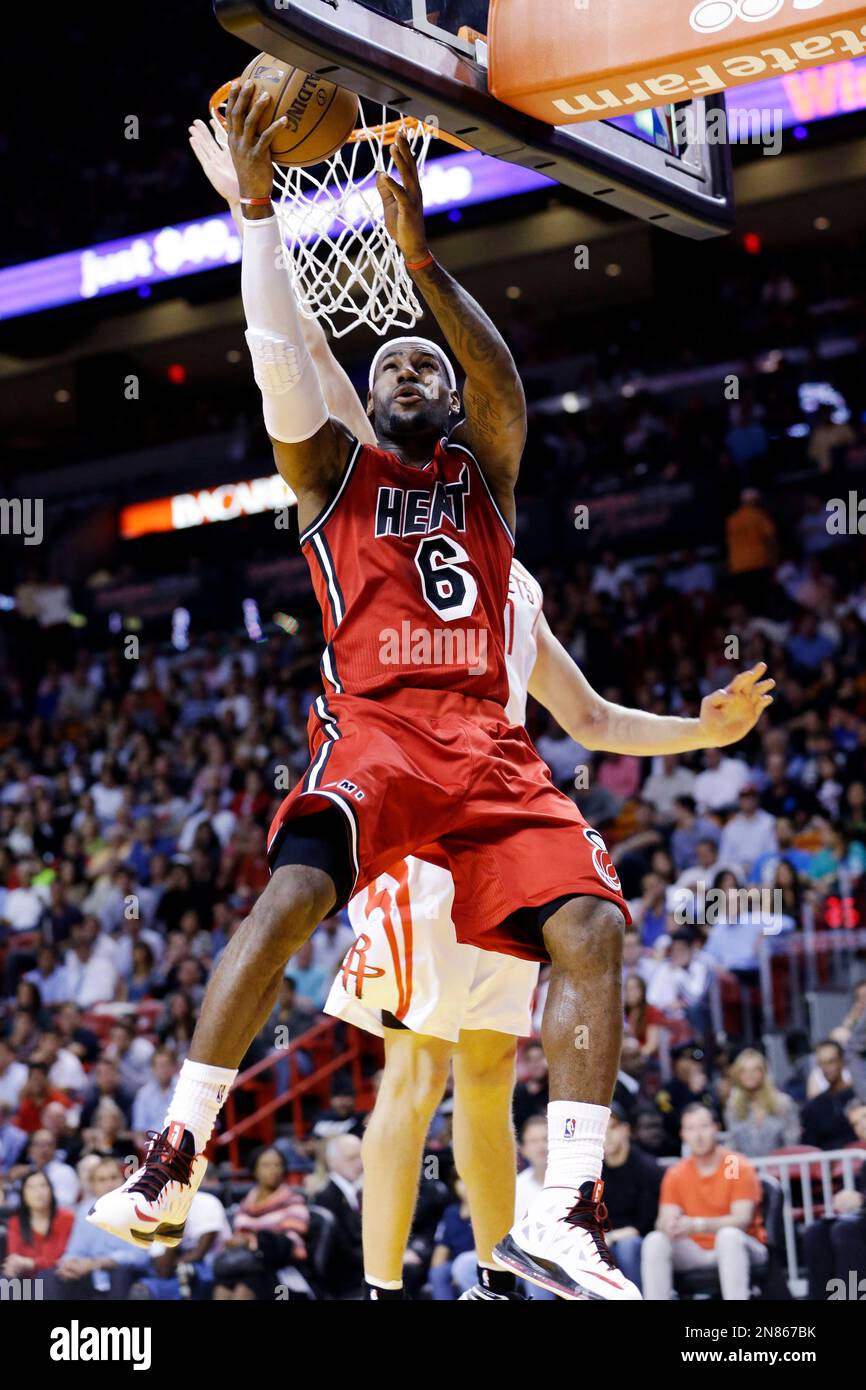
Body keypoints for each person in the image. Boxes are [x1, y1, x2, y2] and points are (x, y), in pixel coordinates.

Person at [91, 89, 774, 1304]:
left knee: (591, 927)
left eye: (423, 363)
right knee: (307, 896)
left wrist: (416, 258)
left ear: (448, 397)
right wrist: (255, 217)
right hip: (383, 730)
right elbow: (280, 359)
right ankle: (178, 1153)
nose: (407, 368)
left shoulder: (489, 487)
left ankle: (560, 1222)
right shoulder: (330, 471)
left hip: (491, 751)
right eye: (387, 361)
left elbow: (499, 383)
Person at [642, 1104, 768, 1300]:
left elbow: (741, 1220)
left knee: (728, 1236)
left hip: (743, 1244)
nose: (698, 1135)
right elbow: (662, 1220)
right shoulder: (676, 1173)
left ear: (716, 1127)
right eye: (691, 1129)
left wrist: (696, 1224)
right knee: (654, 1240)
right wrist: (670, 1224)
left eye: (703, 1127)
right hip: (696, 1249)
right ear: (683, 1134)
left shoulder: (733, 1165)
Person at [601, 1104, 662, 1292]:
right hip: (604, 1239)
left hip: (641, 1239)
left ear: (625, 1130)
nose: (606, 1137)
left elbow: (647, 1223)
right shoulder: (593, 1171)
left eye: (612, 1128)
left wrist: (613, 1236)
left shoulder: (647, 1168)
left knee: (628, 1247)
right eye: (601, 1130)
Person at [313, 1134, 365, 1300]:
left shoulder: (358, 1191)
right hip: (345, 1281)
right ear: (331, 1161)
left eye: (362, 1156)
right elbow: (343, 1250)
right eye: (352, 1158)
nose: (360, 1163)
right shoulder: (325, 1197)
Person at [724, 1048, 801, 1157]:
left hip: (781, 1168)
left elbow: (792, 1142)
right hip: (747, 1169)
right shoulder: (733, 1107)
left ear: (763, 1072)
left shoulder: (783, 1103)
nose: (749, 1075)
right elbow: (733, 1145)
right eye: (744, 1071)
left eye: (755, 1069)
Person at [2, 1169, 74, 1278]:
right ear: (23, 1194)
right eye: (31, 1187)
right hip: (26, 1279)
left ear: (51, 1190)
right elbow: (15, 1258)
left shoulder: (67, 1218)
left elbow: (60, 1258)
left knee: (46, 1277)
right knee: (7, 1279)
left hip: (57, 1279)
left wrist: (32, 1263)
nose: (38, 1192)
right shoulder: (15, 1221)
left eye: (43, 1186)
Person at [801, 1040, 858, 1149]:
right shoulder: (812, 1107)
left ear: (841, 1061)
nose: (826, 1068)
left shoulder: (860, 1096)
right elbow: (809, 1146)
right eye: (822, 1063)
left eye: (831, 1061)